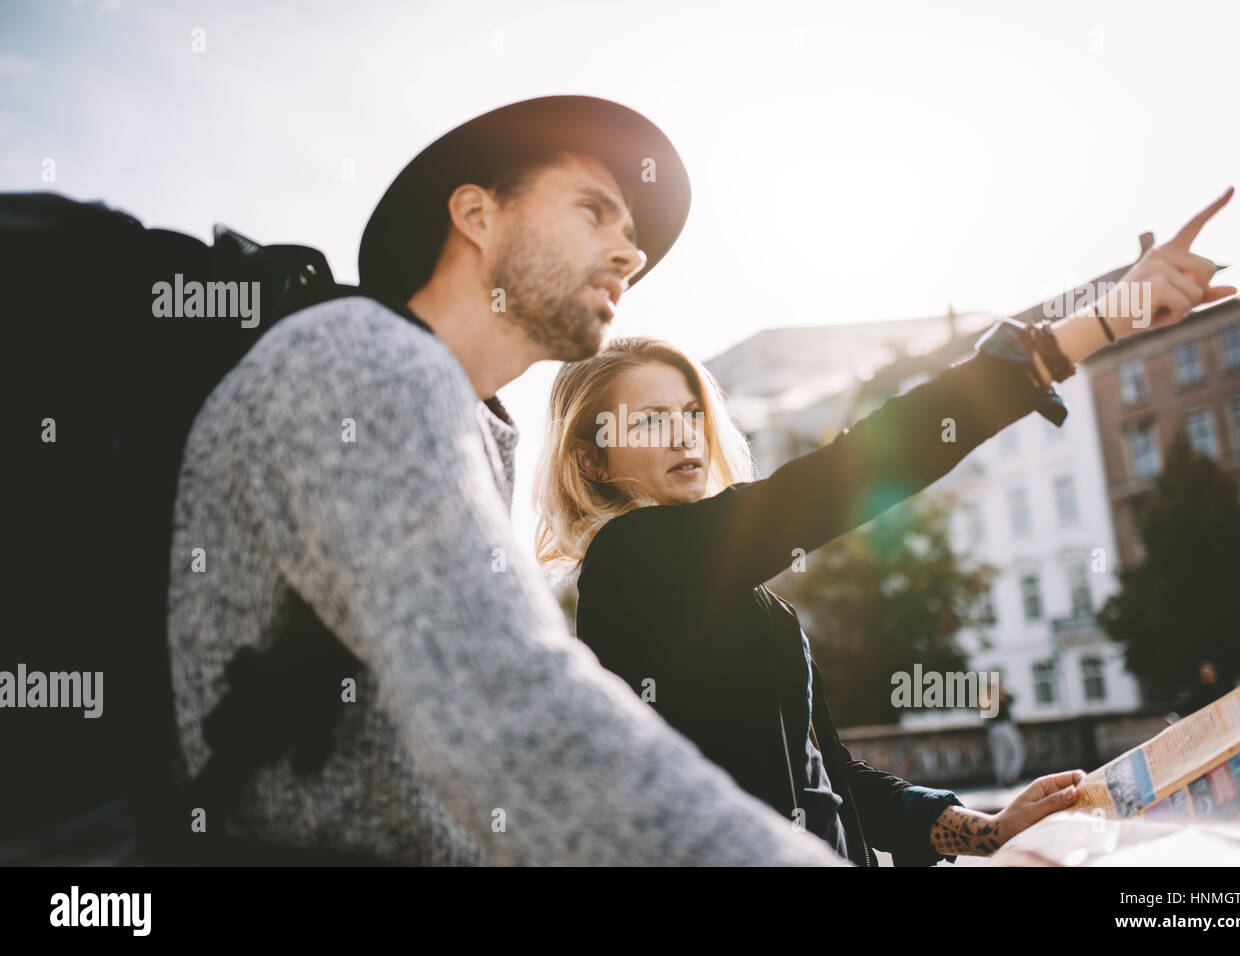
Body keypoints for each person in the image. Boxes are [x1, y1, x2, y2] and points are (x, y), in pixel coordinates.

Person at [165, 95, 849, 866]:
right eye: (595, 211)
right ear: (476, 214)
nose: (629, 254)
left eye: (634, 241)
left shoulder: (466, 419)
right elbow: (507, 705)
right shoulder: (361, 361)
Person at [534, 189, 1237, 864]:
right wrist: (1097, 324)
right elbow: (838, 480)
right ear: (593, 460)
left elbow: (834, 781)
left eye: (691, 412)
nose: (684, 434)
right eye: (650, 421)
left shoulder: (753, 602)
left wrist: (988, 830)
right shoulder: (630, 560)